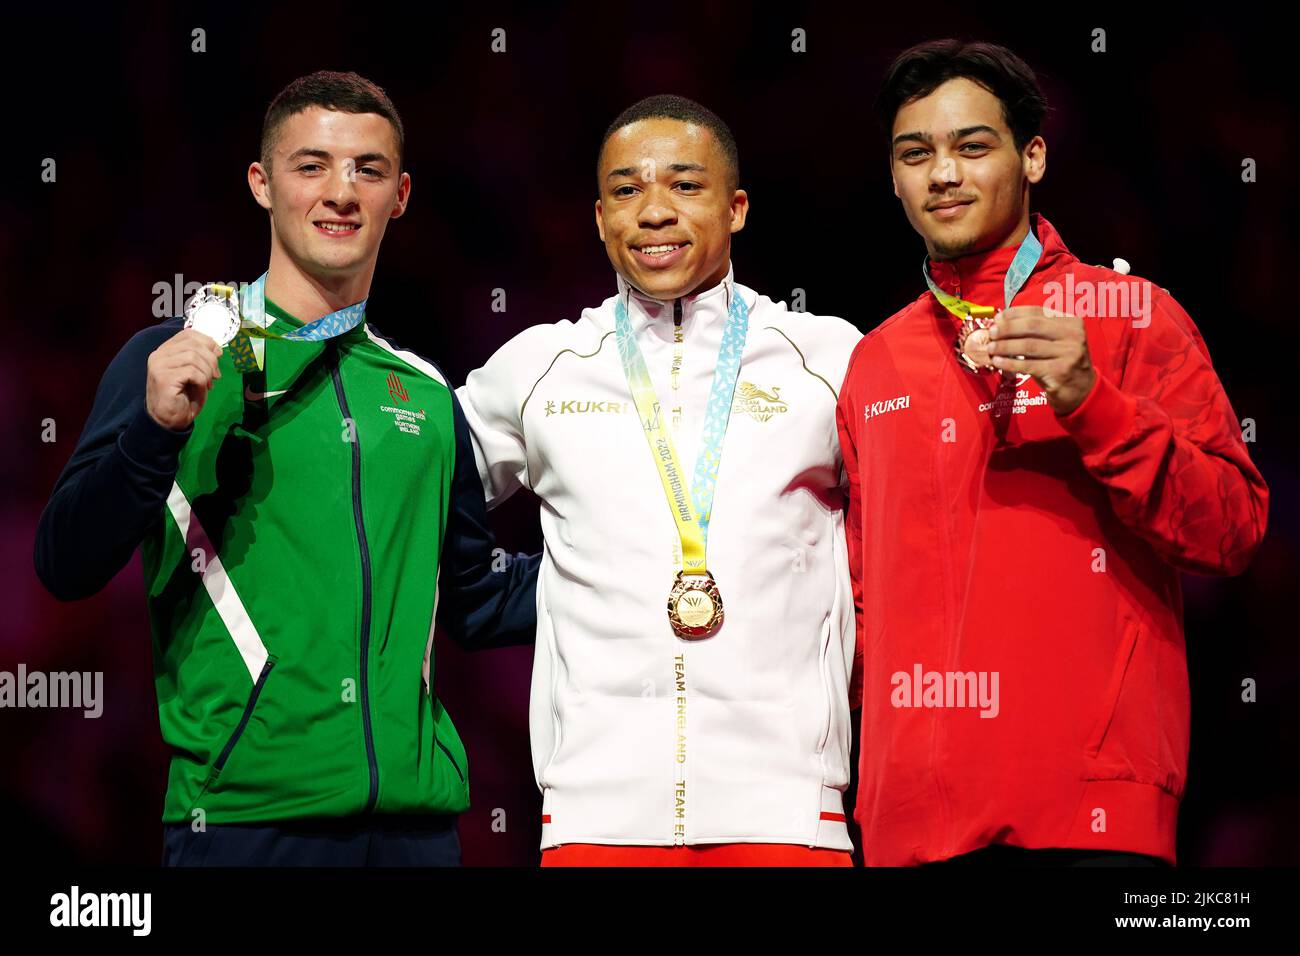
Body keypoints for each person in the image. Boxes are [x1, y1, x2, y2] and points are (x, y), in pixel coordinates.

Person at [34, 70, 539, 866]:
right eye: (311, 166)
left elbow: (476, 599)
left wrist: (636, 564)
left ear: (399, 195)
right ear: (261, 185)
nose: (341, 191)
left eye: (367, 170)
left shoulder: (424, 393)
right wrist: (153, 433)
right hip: (242, 830)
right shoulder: (174, 360)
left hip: (419, 838)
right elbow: (64, 562)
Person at [836, 40, 1269, 866]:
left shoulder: (1130, 316)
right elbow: (862, 603)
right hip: (909, 830)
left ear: (1032, 156)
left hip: (1089, 815)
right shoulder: (875, 361)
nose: (943, 175)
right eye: (915, 154)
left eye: (973, 146)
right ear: (893, 178)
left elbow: (1235, 530)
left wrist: (1092, 404)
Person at [458, 95, 863, 866]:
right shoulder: (539, 367)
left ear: (736, 207)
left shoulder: (827, 359)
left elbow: (910, 535)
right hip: (593, 818)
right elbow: (407, 486)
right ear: (599, 216)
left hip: (788, 814)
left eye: (684, 186)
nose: (653, 212)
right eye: (626, 190)